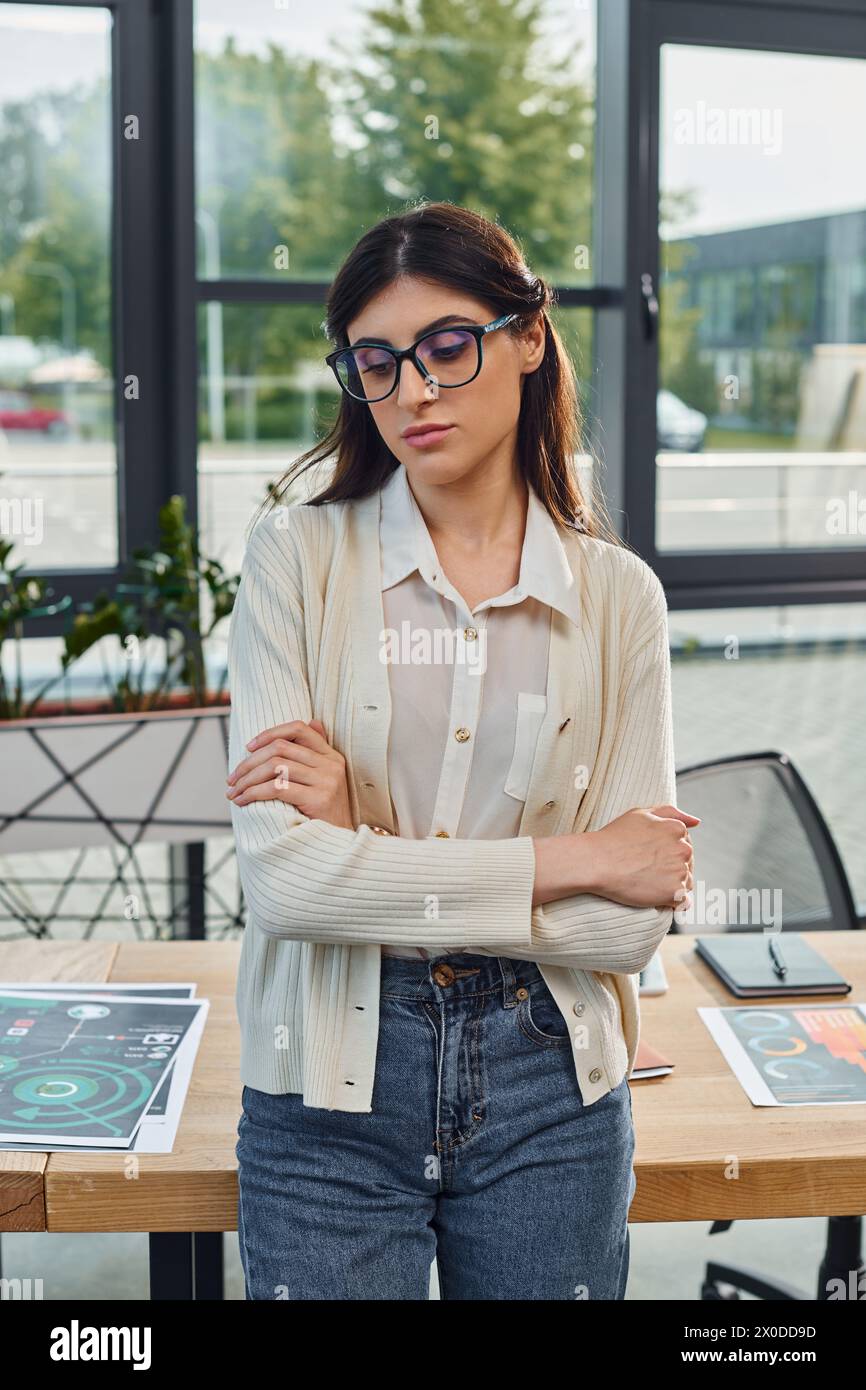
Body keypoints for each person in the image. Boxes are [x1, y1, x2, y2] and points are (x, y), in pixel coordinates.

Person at [225, 200, 697, 1301]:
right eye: (376, 363)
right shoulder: (295, 559)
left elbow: (628, 927)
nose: (415, 392)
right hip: (327, 1078)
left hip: (551, 1077)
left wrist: (362, 850)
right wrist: (574, 858)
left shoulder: (618, 598)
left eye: (448, 345)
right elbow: (287, 881)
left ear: (526, 336)